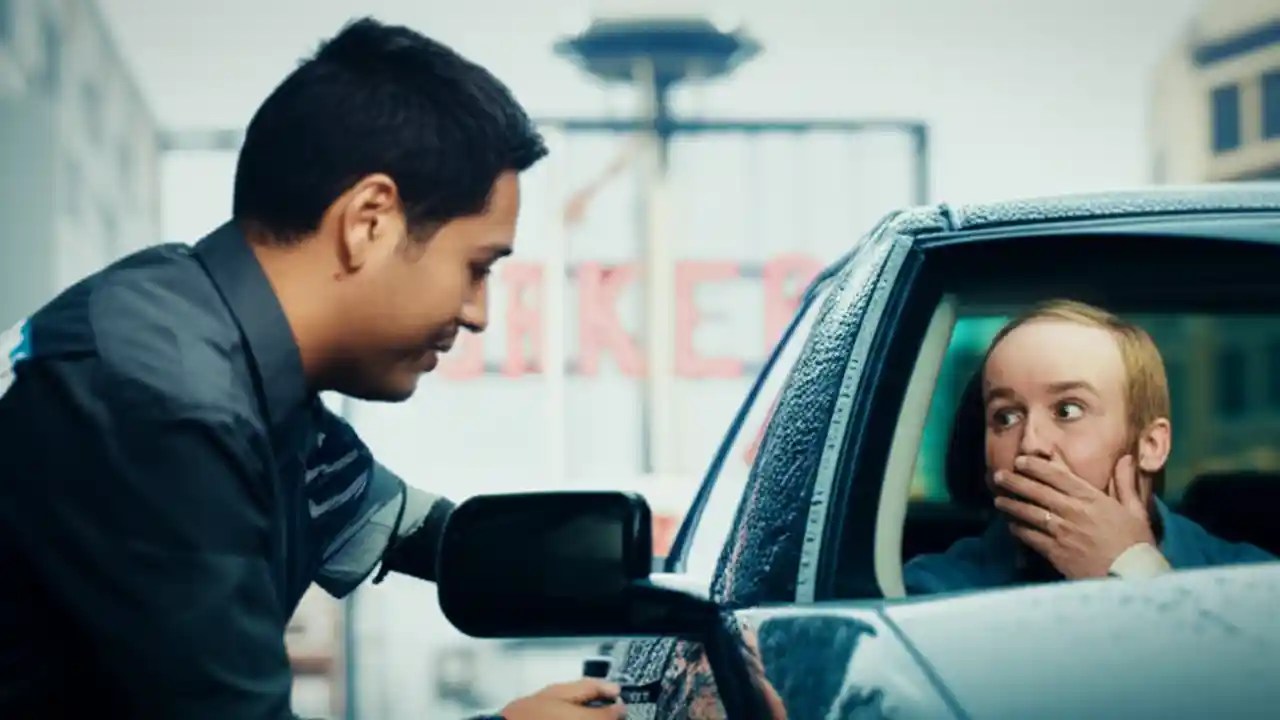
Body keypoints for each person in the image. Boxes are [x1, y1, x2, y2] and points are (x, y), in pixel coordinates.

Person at [0, 17, 623, 720]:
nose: (478, 312)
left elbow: (409, 528)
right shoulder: (166, 404)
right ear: (369, 221)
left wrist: (645, 587)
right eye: (477, 267)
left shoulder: (219, 340)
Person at [905, 299, 1274, 595]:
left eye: (1067, 410)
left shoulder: (1253, 582)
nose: (1030, 444)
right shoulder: (932, 593)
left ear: (1151, 445)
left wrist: (1135, 569)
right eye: (1006, 417)